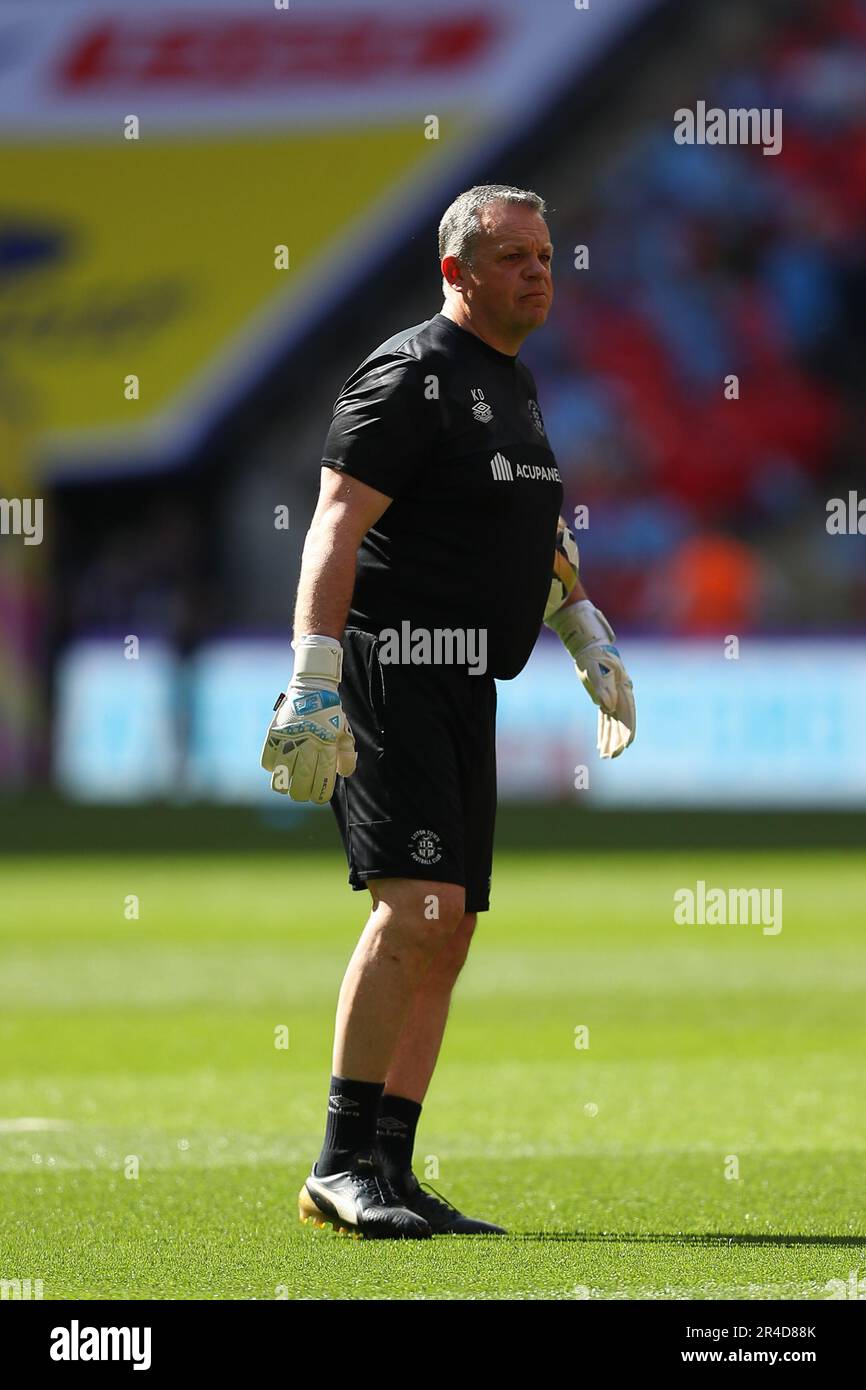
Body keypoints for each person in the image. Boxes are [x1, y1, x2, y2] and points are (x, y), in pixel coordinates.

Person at [261, 185, 635, 1239]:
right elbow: (334, 524)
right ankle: (338, 1164)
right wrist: (313, 676)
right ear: (455, 272)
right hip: (389, 672)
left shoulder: (511, 388)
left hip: (466, 680)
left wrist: (581, 626)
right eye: (512, 255)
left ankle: (389, 1161)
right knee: (414, 909)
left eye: (547, 255)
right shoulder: (410, 372)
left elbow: (525, 530)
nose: (537, 272)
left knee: (452, 926)